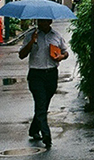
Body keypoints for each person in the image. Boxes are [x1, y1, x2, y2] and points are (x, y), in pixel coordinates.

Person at [18, 18, 69, 149]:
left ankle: (33, 129)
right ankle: (46, 135)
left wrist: (61, 56)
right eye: (40, 21)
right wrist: (31, 42)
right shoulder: (31, 35)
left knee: (44, 104)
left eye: (44, 21)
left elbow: (65, 52)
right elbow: (22, 55)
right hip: (36, 74)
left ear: (50, 22)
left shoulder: (56, 35)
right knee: (40, 103)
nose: (41, 24)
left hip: (51, 74)